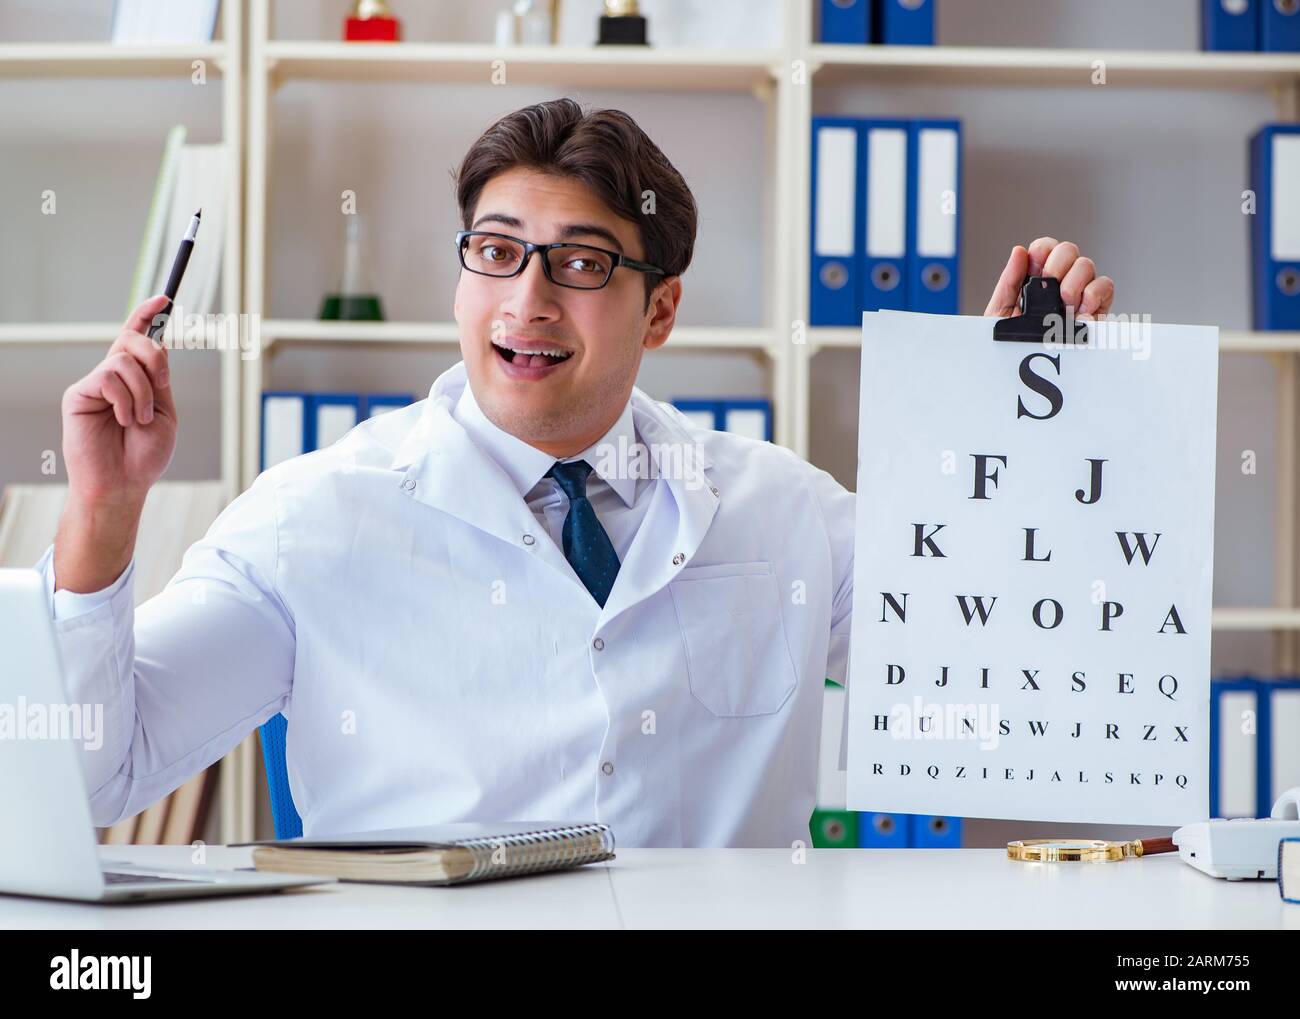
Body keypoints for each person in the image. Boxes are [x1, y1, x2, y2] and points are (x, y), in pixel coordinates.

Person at [42, 98, 1115, 847]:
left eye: (583, 262)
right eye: (497, 251)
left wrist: (1005, 426)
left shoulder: (783, 512)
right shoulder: (309, 518)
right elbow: (96, 773)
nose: (529, 301)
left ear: (659, 308)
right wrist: (104, 512)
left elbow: (983, 691)